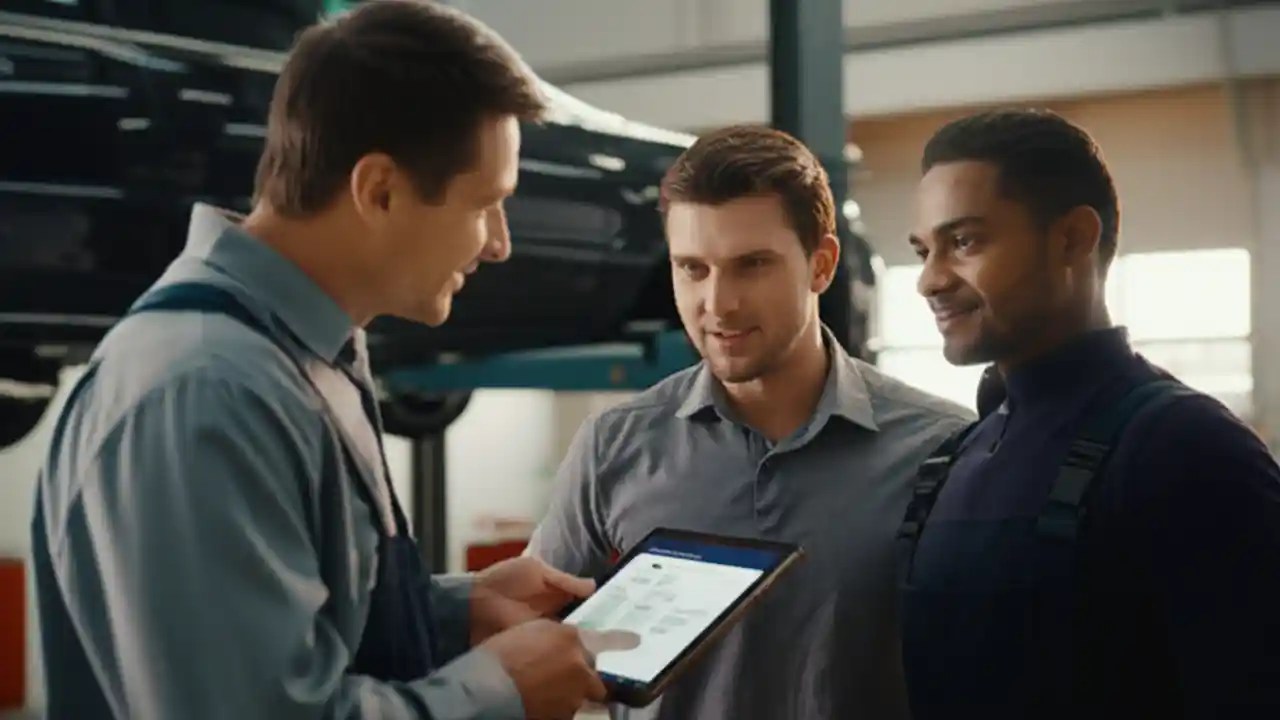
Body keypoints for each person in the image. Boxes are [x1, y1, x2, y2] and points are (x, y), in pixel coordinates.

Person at [30, 2, 633, 719]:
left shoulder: (298, 354)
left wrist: (448, 615)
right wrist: (501, 692)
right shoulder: (206, 392)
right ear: (378, 190)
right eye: (484, 205)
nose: (498, 243)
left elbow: (275, 623)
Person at [525, 124, 975, 720]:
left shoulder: (941, 449)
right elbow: (529, 652)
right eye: (693, 269)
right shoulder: (615, 445)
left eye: (751, 265)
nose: (719, 303)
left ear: (821, 265)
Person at [899, 108, 1280, 718]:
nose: (929, 280)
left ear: (1073, 237)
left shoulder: (1185, 450)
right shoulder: (957, 456)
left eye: (964, 242)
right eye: (924, 250)